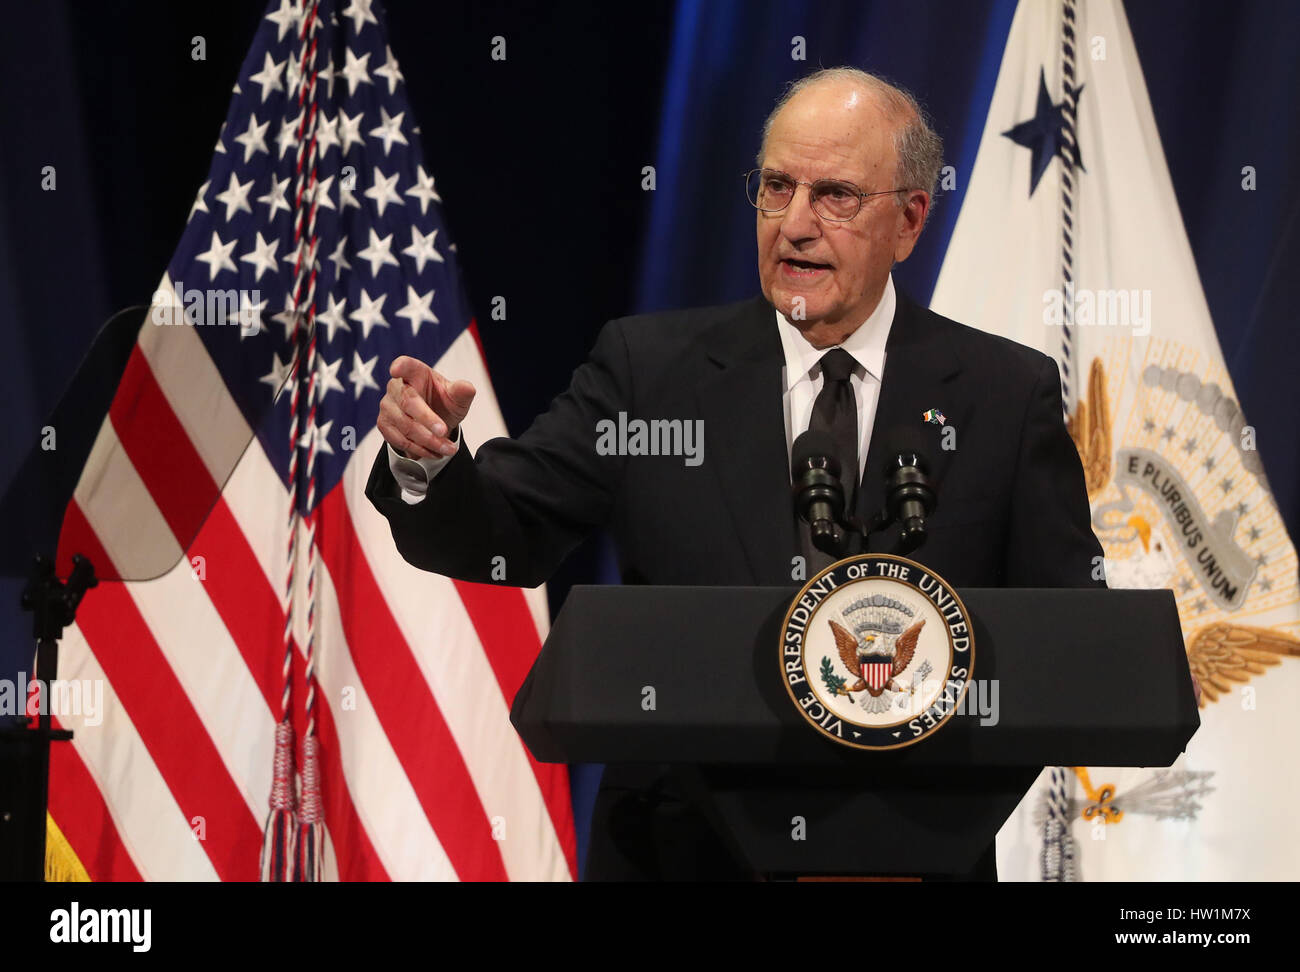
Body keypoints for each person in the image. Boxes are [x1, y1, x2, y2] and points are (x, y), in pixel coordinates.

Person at [365, 67, 1105, 880]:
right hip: (678, 854)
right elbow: (508, 530)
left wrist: (942, 817)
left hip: (915, 858)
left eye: (835, 196)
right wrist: (426, 457)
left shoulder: (1005, 394)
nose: (794, 225)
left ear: (909, 220)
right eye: (777, 187)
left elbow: (1068, 648)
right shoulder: (650, 371)